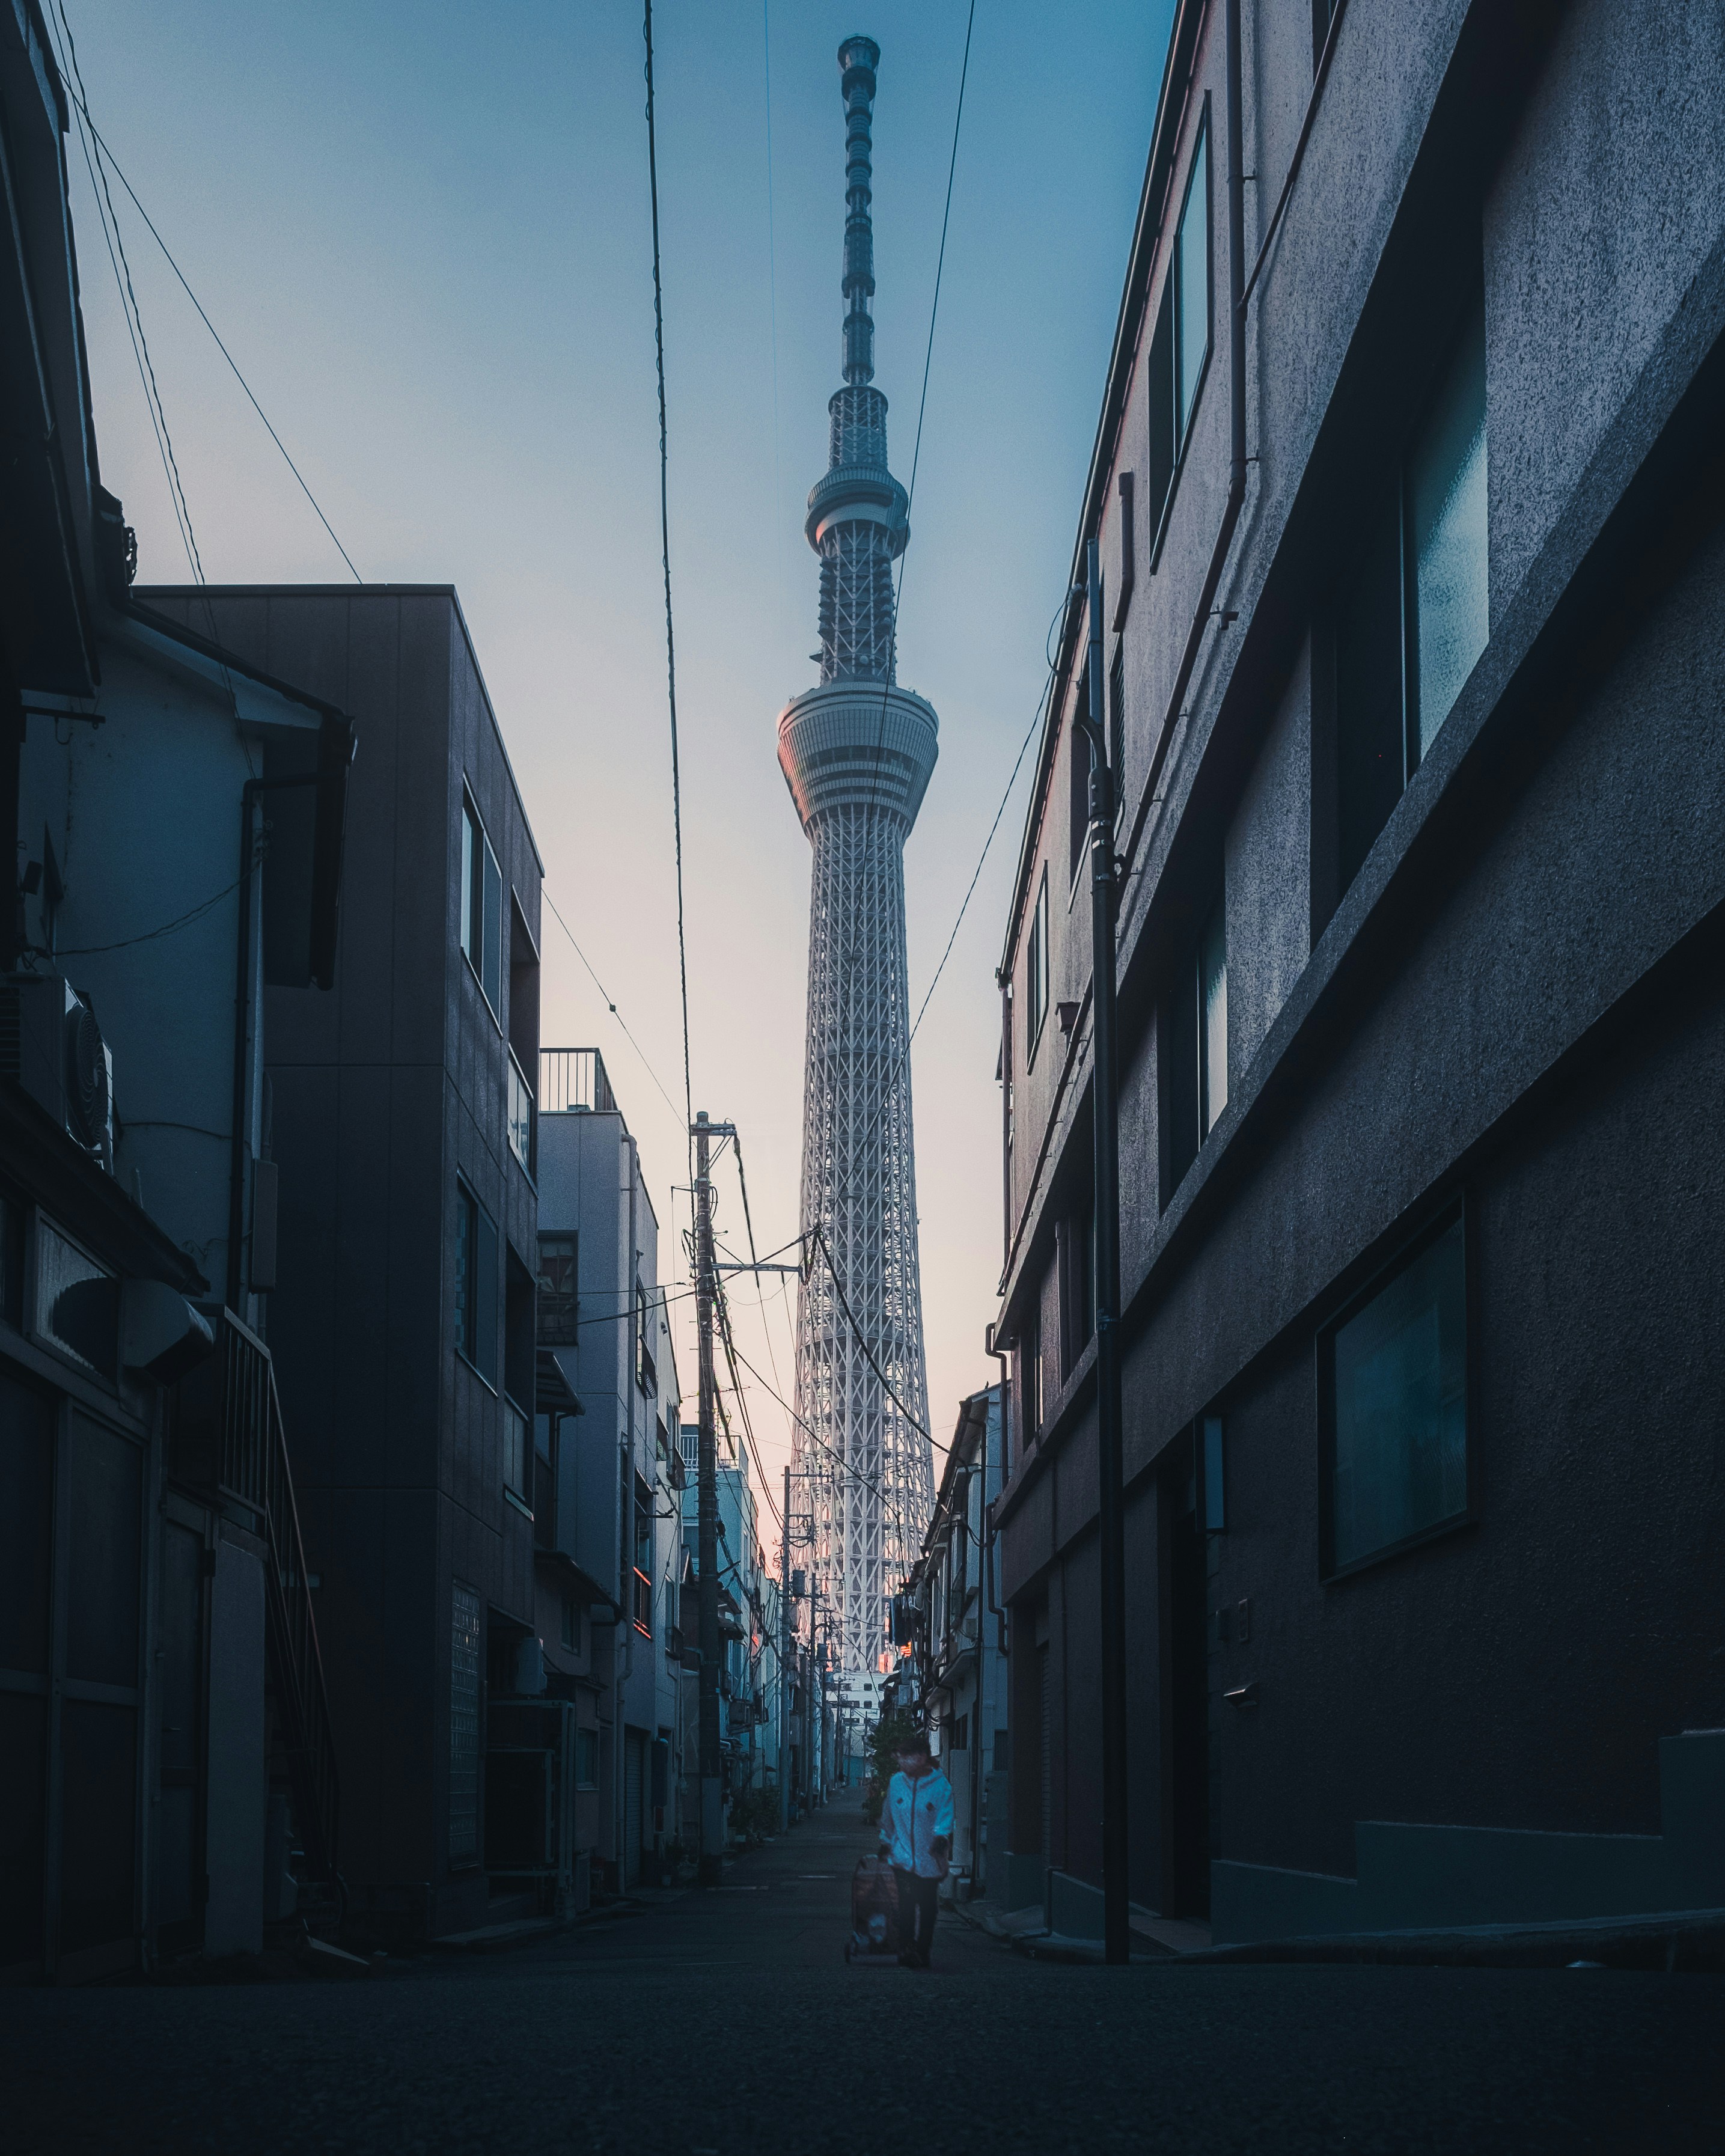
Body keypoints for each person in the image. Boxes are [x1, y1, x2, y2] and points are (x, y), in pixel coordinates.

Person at [878, 1729, 954, 1968]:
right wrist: (885, 1841)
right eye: (899, 1756)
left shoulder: (940, 1786)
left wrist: (941, 1836)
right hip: (902, 1856)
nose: (901, 1761)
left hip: (929, 1858)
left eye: (905, 1756)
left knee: (928, 1907)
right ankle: (907, 1948)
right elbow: (888, 1815)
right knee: (906, 1904)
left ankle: (923, 1949)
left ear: (921, 1757)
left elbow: (946, 1816)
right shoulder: (896, 1783)